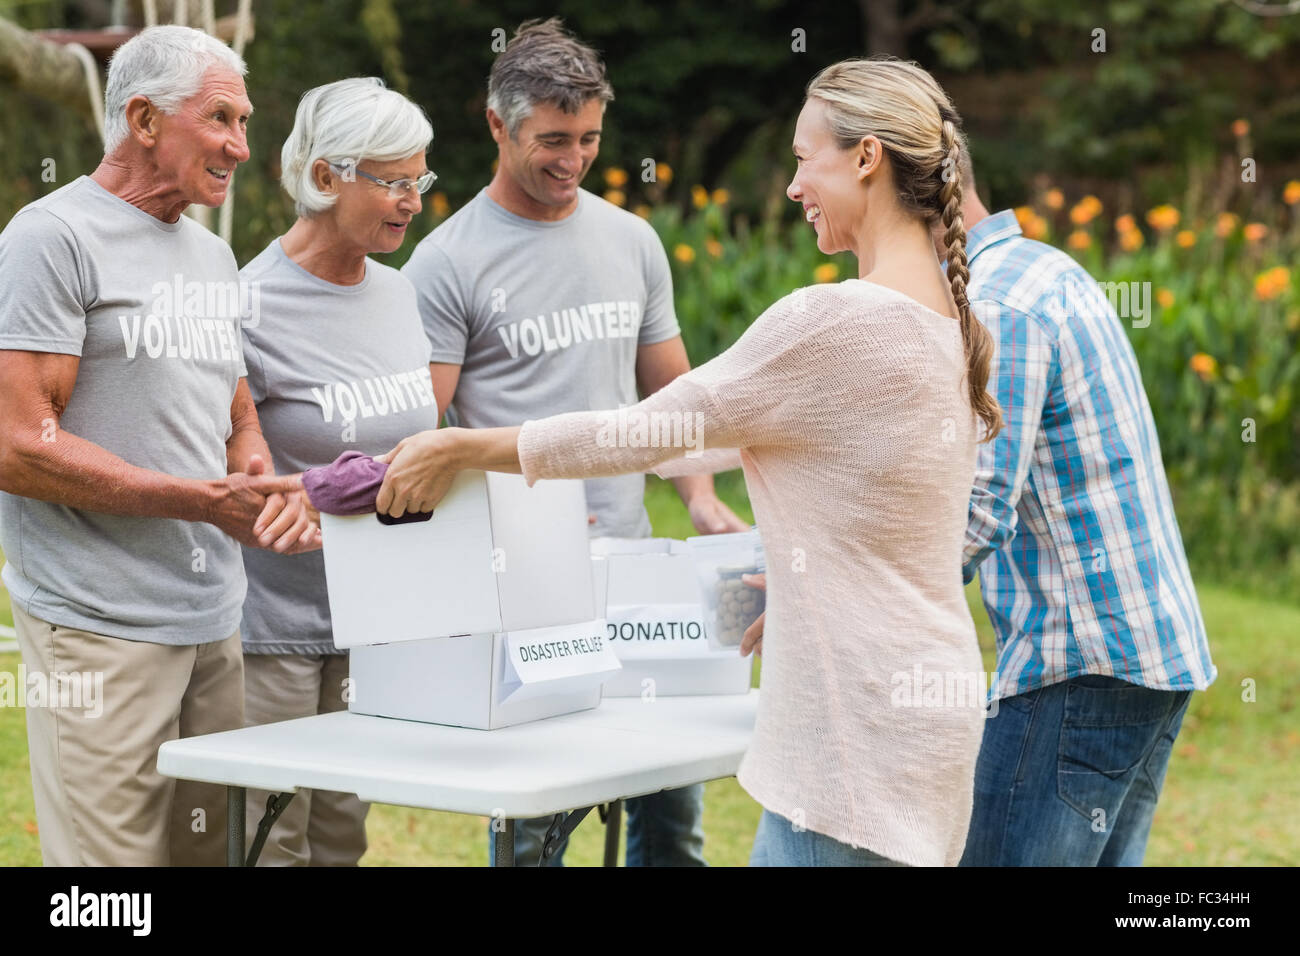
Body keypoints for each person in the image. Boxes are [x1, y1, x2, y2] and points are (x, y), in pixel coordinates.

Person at [377, 57, 1003, 867]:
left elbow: (644, 433)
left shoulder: (833, 321)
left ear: (866, 157)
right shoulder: (954, 319)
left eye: (803, 158)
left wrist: (463, 447)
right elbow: (887, 506)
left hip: (853, 752)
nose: (791, 185)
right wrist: (824, 601)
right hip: (927, 714)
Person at [400, 17, 748, 868]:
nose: (574, 158)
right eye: (553, 139)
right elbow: (429, 439)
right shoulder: (446, 264)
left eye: (589, 138)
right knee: (534, 817)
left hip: (635, 567)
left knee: (670, 805)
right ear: (497, 124)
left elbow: (674, 403)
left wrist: (700, 496)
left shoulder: (631, 241)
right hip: (527, 585)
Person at [0, 25, 311, 867]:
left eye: (245, 122)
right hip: (99, 626)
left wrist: (249, 465)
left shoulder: (213, 255)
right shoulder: (49, 238)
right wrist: (196, 500)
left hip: (213, 619)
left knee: (207, 858)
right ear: (142, 118)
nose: (242, 146)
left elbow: (234, 407)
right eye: (220, 119)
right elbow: (18, 445)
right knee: (110, 890)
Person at [947, 155, 1216, 867]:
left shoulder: (997, 304)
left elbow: (977, 512)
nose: (794, 188)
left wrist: (839, 599)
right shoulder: (1039, 267)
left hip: (1081, 665)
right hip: (1141, 654)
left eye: (804, 160)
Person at [236, 77, 440, 866]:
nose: (412, 200)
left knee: (341, 838)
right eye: (393, 181)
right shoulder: (245, 302)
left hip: (375, 622)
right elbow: (234, 468)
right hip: (275, 628)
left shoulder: (399, 295)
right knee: (269, 838)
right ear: (325, 177)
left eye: (418, 180)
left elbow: (424, 445)